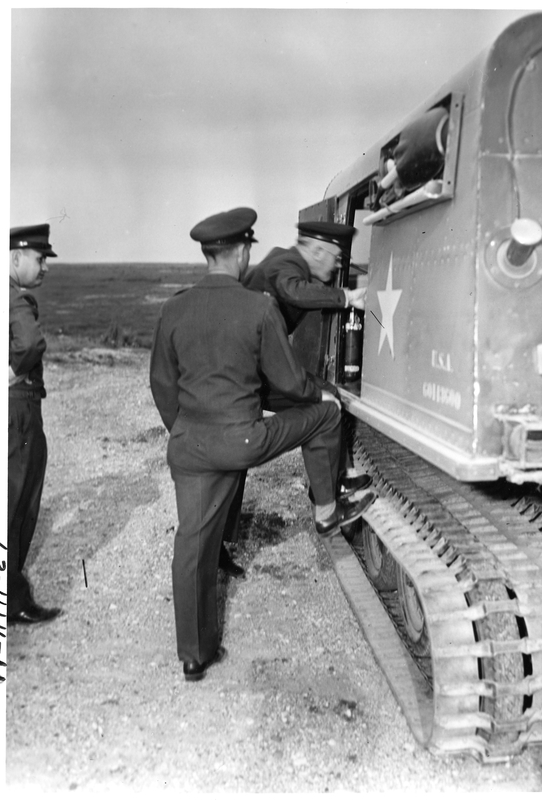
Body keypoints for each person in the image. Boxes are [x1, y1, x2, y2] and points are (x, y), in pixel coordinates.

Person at [149, 208, 375, 682]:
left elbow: (163, 386)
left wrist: (188, 432)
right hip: (243, 439)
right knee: (325, 415)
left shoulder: (173, 307)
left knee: (191, 542)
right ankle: (326, 510)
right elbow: (291, 382)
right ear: (243, 251)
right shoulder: (259, 308)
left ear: (209, 253)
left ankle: (193, 656)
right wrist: (322, 391)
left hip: (189, 444)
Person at [243, 220, 371, 502]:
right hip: (248, 376)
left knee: (328, 393)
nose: (338, 266)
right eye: (336, 259)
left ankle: (334, 481)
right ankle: (328, 492)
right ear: (316, 252)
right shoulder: (285, 264)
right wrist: (346, 297)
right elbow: (295, 291)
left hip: (254, 371)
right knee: (322, 399)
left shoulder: (286, 261)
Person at [8, 224, 62, 625]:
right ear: (14, 258)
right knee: (17, 502)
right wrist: (10, 372)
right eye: (39, 259)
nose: (44, 267)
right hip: (19, 409)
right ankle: (11, 599)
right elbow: (30, 343)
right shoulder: (16, 299)